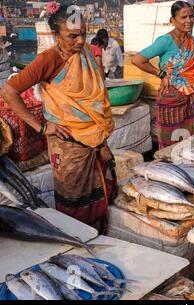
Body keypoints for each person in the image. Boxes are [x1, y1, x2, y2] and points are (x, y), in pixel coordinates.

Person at [0, 4, 117, 232]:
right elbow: (9, 91)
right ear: (56, 35)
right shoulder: (49, 59)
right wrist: (41, 127)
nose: (80, 41)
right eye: (72, 36)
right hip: (68, 145)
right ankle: (77, 248)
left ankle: (99, 239)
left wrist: (102, 143)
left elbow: (94, 103)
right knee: (74, 203)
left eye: (83, 33)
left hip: (94, 139)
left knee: (99, 197)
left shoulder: (85, 55)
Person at [131, 1, 194, 149]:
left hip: (192, 100)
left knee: (192, 144)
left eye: (191, 17)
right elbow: (137, 59)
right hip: (172, 100)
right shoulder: (166, 41)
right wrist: (161, 74)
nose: (189, 21)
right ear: (172, 20)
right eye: (183, 17)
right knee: (171, 144)